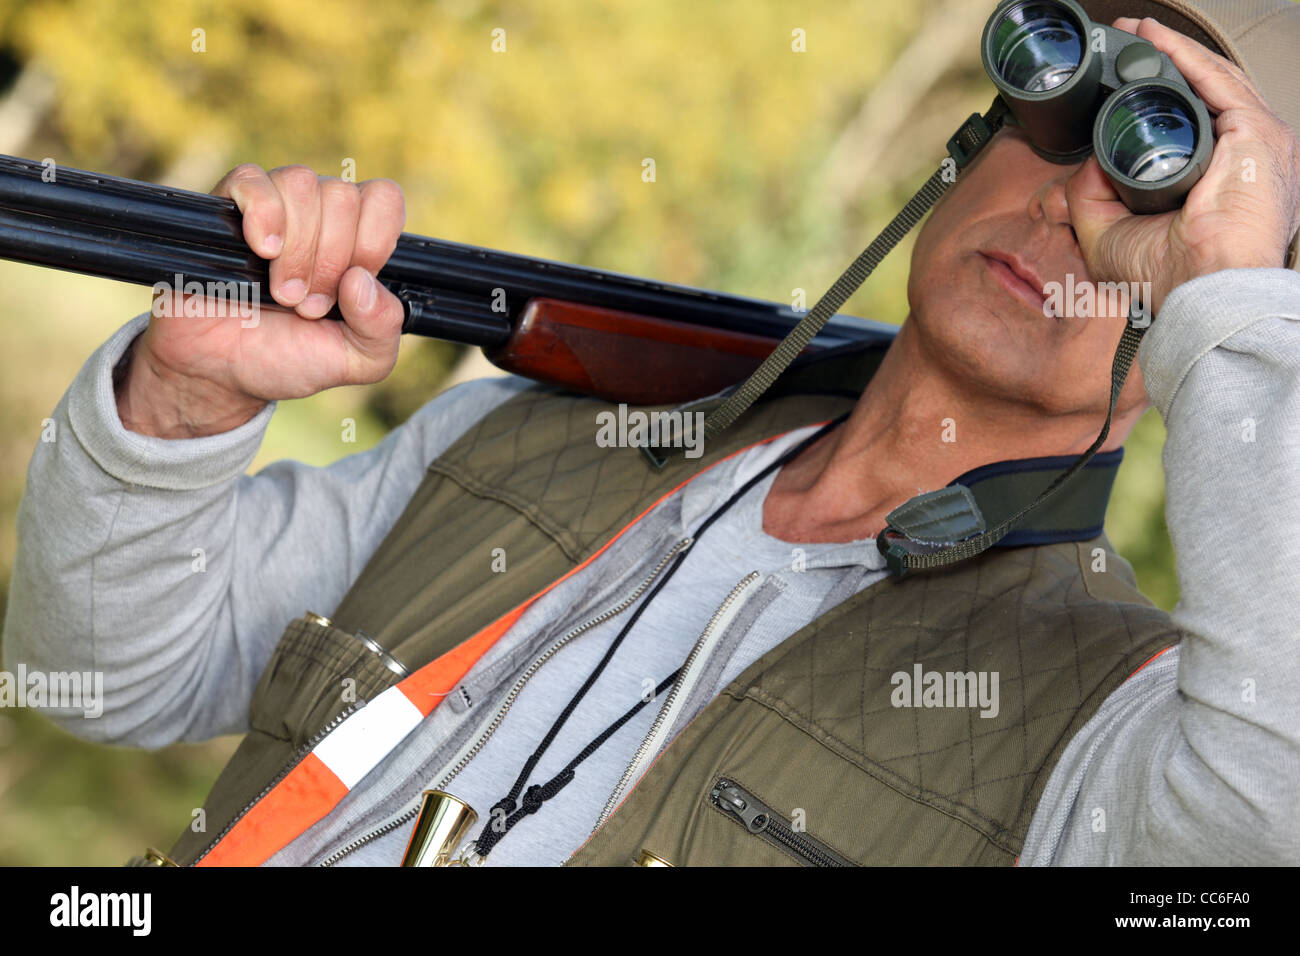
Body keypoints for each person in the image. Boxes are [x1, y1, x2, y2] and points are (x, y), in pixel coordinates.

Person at [4, 4, 1299, 866]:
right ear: (970, 149)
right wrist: (181, 407)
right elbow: (108, 678)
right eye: (1072, 128)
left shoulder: (1112, 737)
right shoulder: (542, 439)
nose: (1079, 204)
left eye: (1159, 181)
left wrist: (1228, 310)